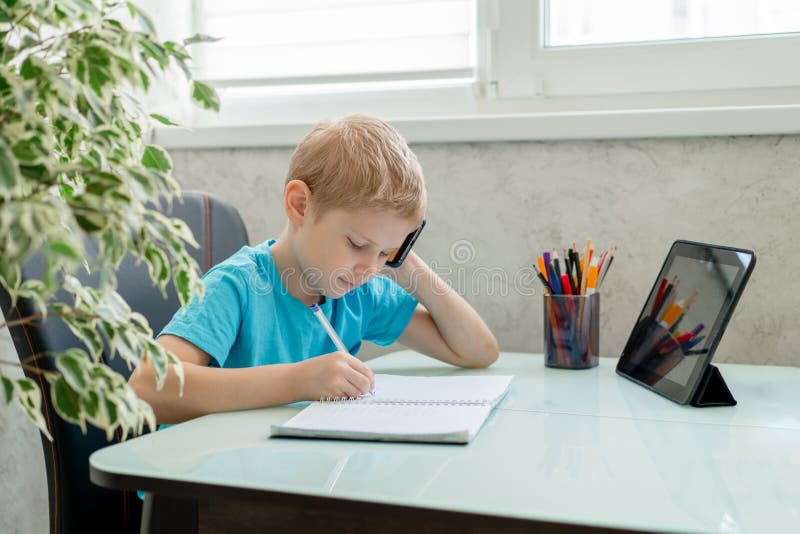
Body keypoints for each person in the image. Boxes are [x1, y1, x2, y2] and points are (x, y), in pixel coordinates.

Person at [129, 114, 499, 424]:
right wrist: (299, 381)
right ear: (300, 205)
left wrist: (404, 263)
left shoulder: (359, 294)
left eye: (387, 253)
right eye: (356, 244)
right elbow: (147, 387)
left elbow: (476, 352)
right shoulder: (238, 286)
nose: (369, 267)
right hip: (206, 496)